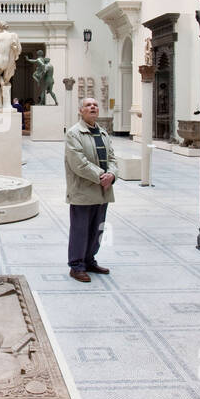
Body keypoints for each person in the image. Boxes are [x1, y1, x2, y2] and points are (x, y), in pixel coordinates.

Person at [65, 97, 115, 283]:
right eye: (88, 105)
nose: (92, 107)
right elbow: (78, 163)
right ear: (80, 111)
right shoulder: (74, 133)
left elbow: (112, 158)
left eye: (95, 105)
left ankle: (89, 260)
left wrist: (112, 175)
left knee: (97, 229)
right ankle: (76, 265)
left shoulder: (103, 133)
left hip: (103, 190)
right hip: (83, 191)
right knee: (81, 229)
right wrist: (102, 176)